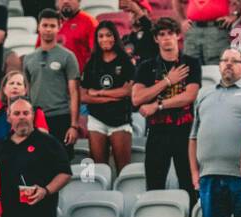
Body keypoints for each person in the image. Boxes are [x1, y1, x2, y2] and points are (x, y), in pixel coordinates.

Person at [189, 48, 241, 217]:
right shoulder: (203, 93)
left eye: (234, 61)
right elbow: (193, 137)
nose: (228, 64)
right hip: (208, 177)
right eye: (224, 60)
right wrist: (195, 173)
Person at [0, 97, 72, 217]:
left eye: (25, 113)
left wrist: (46, 190)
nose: (21, 117)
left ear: (33, 116)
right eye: (16, 113)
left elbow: (65, 173)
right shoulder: (1, 147)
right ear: (9, 118)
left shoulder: (48, 142)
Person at [132, 18, 201, 192]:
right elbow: (136, 98)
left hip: (184, 131)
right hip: (157, 132)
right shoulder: (146, 66)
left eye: (170, 33)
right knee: (154, 185)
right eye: (161, 34)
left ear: (178, 35)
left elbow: (189, 96)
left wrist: (157, 105)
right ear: (156, 39)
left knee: (189, 185)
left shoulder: (191, 63)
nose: (166, 38)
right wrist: (167, 81)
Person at [81, 21, 136, 173]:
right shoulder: (92, 62)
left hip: (120, 120)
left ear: (115, 37)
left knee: (123, 169)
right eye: (100, 36)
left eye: (108, 35)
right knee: (100, 170)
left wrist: (99, 93)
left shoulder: (125, 61)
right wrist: (114, 96)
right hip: (96, 120)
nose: (104, 39)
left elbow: (129, 91)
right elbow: (83, 96)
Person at [22, 9, 83, 147]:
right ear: (38, 27)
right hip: (36, 117)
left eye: (52, 26)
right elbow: (27, 90)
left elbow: (74, 92)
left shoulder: (68, 56)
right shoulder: (28, 58)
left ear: (59, 27)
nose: (48, 30)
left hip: (61, 117)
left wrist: (73, 125)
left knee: (61, 162)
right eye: (45, 25)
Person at [0, 69, 50, 155]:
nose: (15, 86)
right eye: (11, 83)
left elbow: (45, 142)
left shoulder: (36, 113)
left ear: (25, 90)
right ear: (4, 89)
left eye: (19, 84)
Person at [173, 0, 235, 67]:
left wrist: (235, 15)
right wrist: (182, 20)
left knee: (216, 67)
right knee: (190, 65)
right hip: (193, 28)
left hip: (217, 29)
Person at [54, 0, 99, 70]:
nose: (65, 1)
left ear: (79, 1)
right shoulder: (49, 22)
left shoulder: (89, 22)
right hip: (54, 77)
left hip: (80, 77)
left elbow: (97, 56)